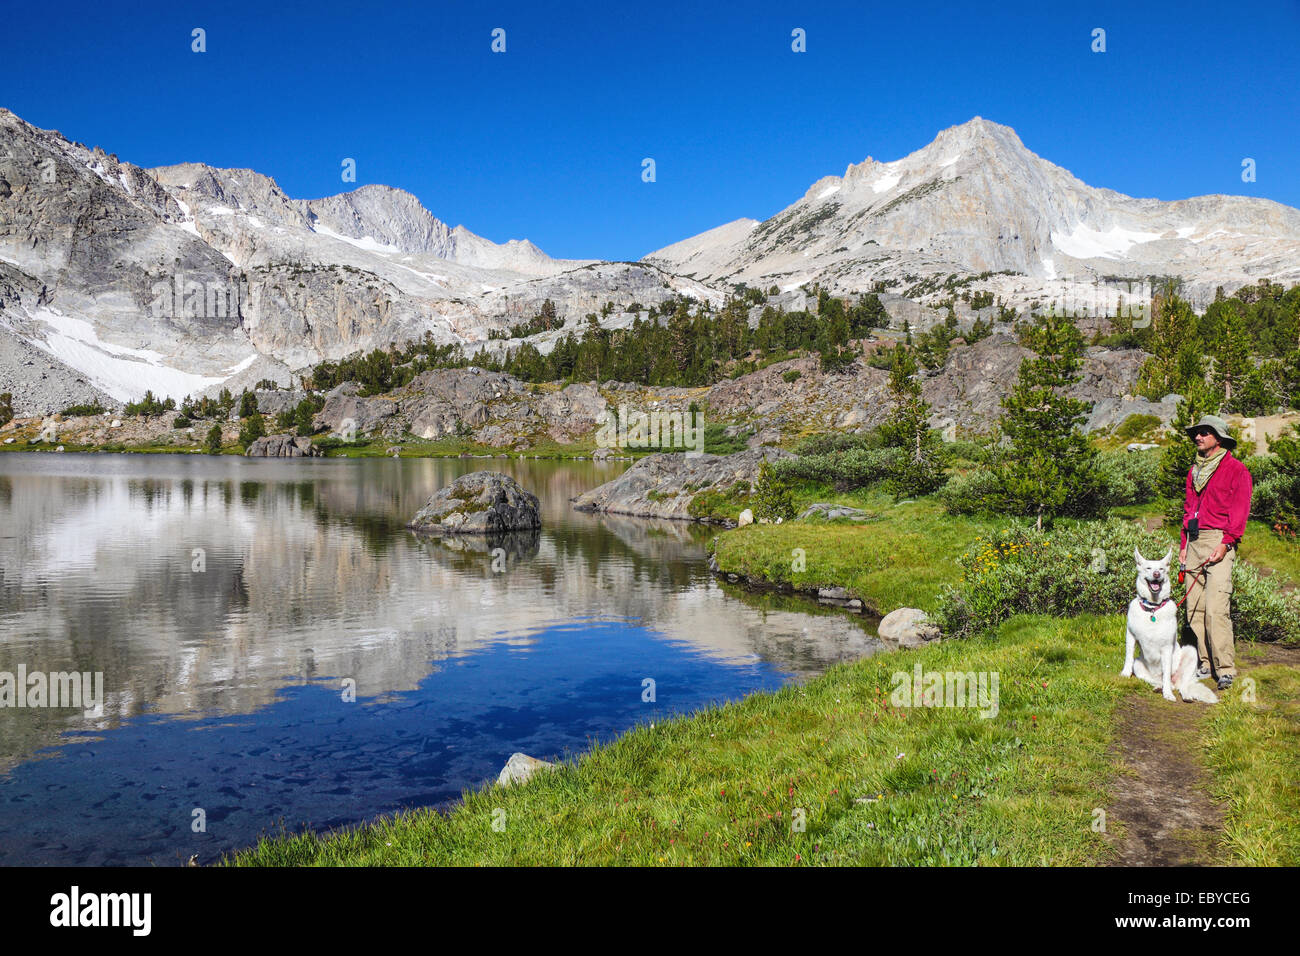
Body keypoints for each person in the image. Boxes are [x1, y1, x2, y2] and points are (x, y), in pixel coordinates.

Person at [1178, 415, 1253, 691]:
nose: (1198, 437)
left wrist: (1226, 542)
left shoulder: (1236, 470)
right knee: (1194, 608)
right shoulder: (1193, 471)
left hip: (1220, 541)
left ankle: (1225, 669)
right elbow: (1188, 510)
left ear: (1218, 438)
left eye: (1205, 433)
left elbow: (1240, 510)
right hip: (1194, 543)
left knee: (1216, 609)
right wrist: (1184, 545)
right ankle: (1204, 662)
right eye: (1197, 433)